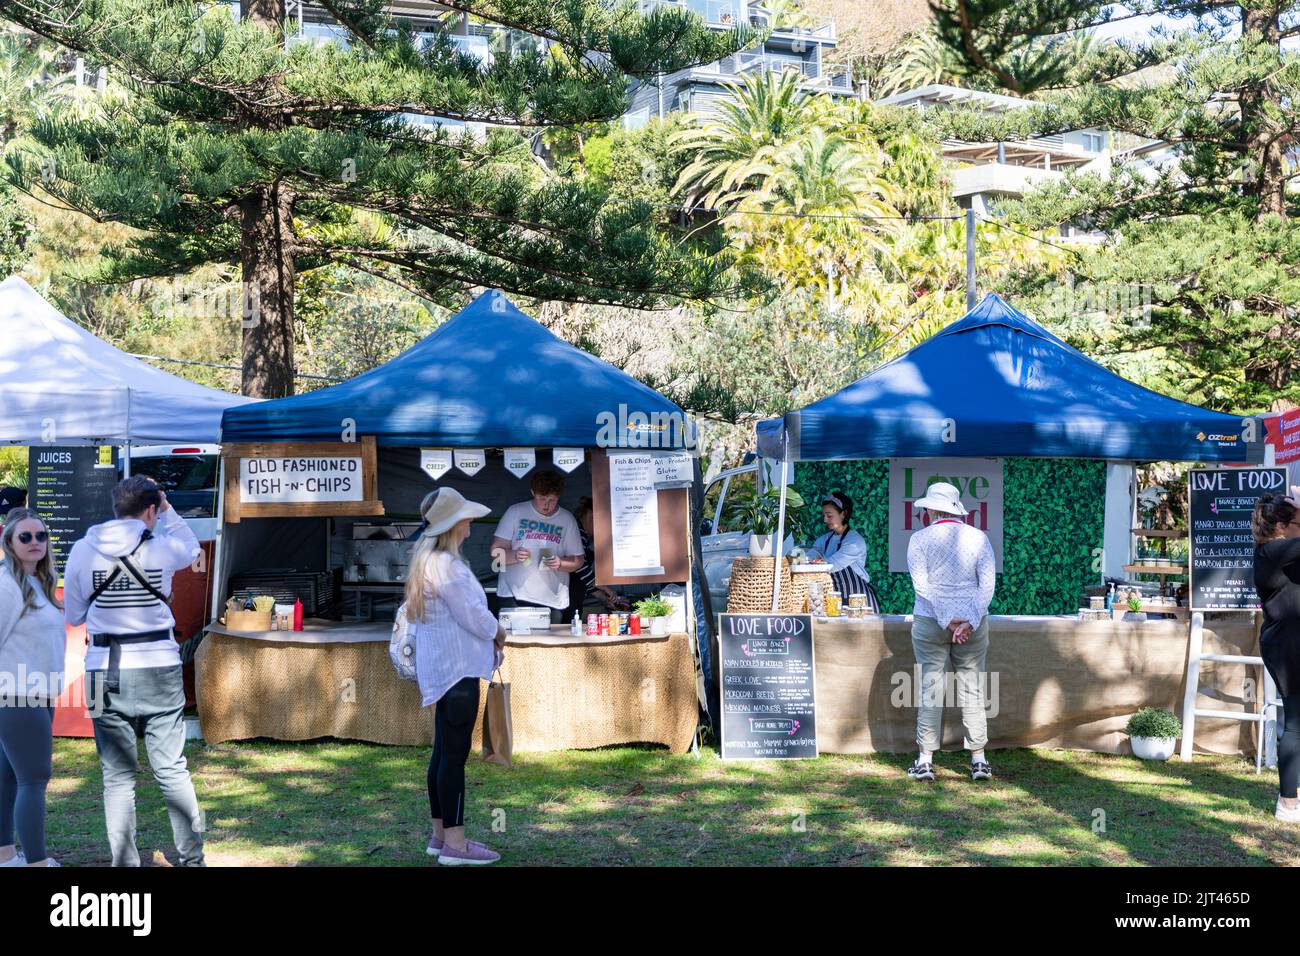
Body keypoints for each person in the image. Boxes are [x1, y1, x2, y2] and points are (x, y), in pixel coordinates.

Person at [63, 475, 206, 867]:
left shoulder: (81, 550)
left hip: (101, 669)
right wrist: (169, 507)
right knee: (172, 769)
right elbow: (192, 547)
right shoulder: (161, 547)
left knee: (117, 778)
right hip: (160, 665)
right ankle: (193, 859)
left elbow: (75, 615)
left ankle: (123, 863)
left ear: (115, 507)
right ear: (150, 510)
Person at [409, 487, 506, 866]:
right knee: (453, 757)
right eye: (465, 519)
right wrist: (499, 631)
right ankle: (457, 845)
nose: (469, 525)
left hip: (444, 671)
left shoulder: (428, 562)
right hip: (458, 672)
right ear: (452, 525)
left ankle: (440, 836)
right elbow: (475, 618)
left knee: (442, 755)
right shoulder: (448, 567)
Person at [904, 481, 996, 783]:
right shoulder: (979, 538)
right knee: (973, 687)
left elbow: (922, 587)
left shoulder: (919, 540)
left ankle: (926, 761)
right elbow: (987, 587)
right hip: (972, 623)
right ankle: (979, 760)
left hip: (931, 621)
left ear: (930, 509)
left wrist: (948, 620)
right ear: (955, 510)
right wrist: (967, 620)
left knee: (930, 687)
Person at [0, 509, 64, 867]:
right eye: (25, 537)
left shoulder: (38, 581)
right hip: (17, 695)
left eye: (41, 536)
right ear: (9, 542)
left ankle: (6, 855)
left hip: (35, 694)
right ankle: (38, 863)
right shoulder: (6, 585)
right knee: (34, 781)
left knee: (9, 779)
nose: (35, 542)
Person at [1251, 492, 1300, 822]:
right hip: (1287, 646)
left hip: (1290, 641)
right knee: (1295, 723)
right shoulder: (1274, 551)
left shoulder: (1284, 552)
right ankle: (1288, 803)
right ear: (1282, 526)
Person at [490, 470, 584, 624]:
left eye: (552, 500)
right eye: (542, 498)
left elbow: (578, 560)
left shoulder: (567, 519)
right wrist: (514, 555)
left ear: (559, 496)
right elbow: (495, 552)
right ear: (533, 492)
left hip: (552, 598)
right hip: (514, 594)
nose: (546, 505)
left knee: (550, 647)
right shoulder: (515, 512)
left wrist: (560, 564)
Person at [806, 491, 879, 612]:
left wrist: (814, 563)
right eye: (824, 515)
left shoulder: (854, 541)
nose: (825, 520)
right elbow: (808, 558)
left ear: (843, 514)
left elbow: (832, 565)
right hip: (835, 601)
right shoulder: (824, 540)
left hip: (859, 601)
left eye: (829, 516)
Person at [567, 497, 629, 619]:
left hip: (573, 597)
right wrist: (606, 589)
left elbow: (584, 580)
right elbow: (579, 567)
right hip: (567, 597)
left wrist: (605, 598)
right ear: (593, 518)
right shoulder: (577, 532)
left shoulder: (582, 534)